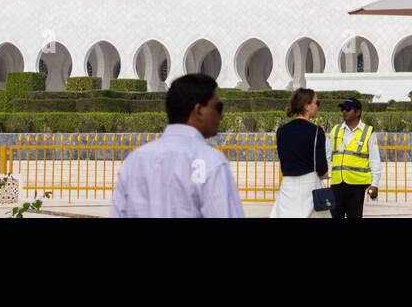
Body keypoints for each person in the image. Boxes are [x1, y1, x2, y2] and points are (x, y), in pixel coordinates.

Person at [109, 73, 243, 218]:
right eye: (218, 107)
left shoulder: (134, 161)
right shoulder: (211, 162)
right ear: (198, 111)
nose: (221, 115)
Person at [270, 88, 328, 218]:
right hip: (310, 186)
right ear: (307, 106)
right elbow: (321, 167)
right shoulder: (316, 132)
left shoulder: (281, 131)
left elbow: (284, 163)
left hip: (288, 186)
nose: (317, 106)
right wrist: (325, 175)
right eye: (316, 103)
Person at [326, 97, 381, 218]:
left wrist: (375, 184)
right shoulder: (335, 130)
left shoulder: (368, 131)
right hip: (337, 184)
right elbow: (327, 155)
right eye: (342, 109)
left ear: (358, 112)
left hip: (357, 186)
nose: (344, 112)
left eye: (348, 109)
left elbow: (375, 160)